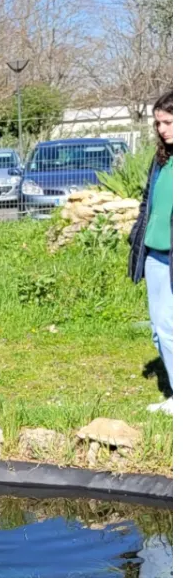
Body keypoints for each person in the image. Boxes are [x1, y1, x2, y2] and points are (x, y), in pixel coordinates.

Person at [128, 89, 173, 416]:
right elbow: (148, 201)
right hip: (156, 257)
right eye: (158, 123)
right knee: (161, 331)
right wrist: (137, 235)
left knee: (171, 328)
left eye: (169, 122)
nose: (162, 129)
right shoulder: (162, 160)